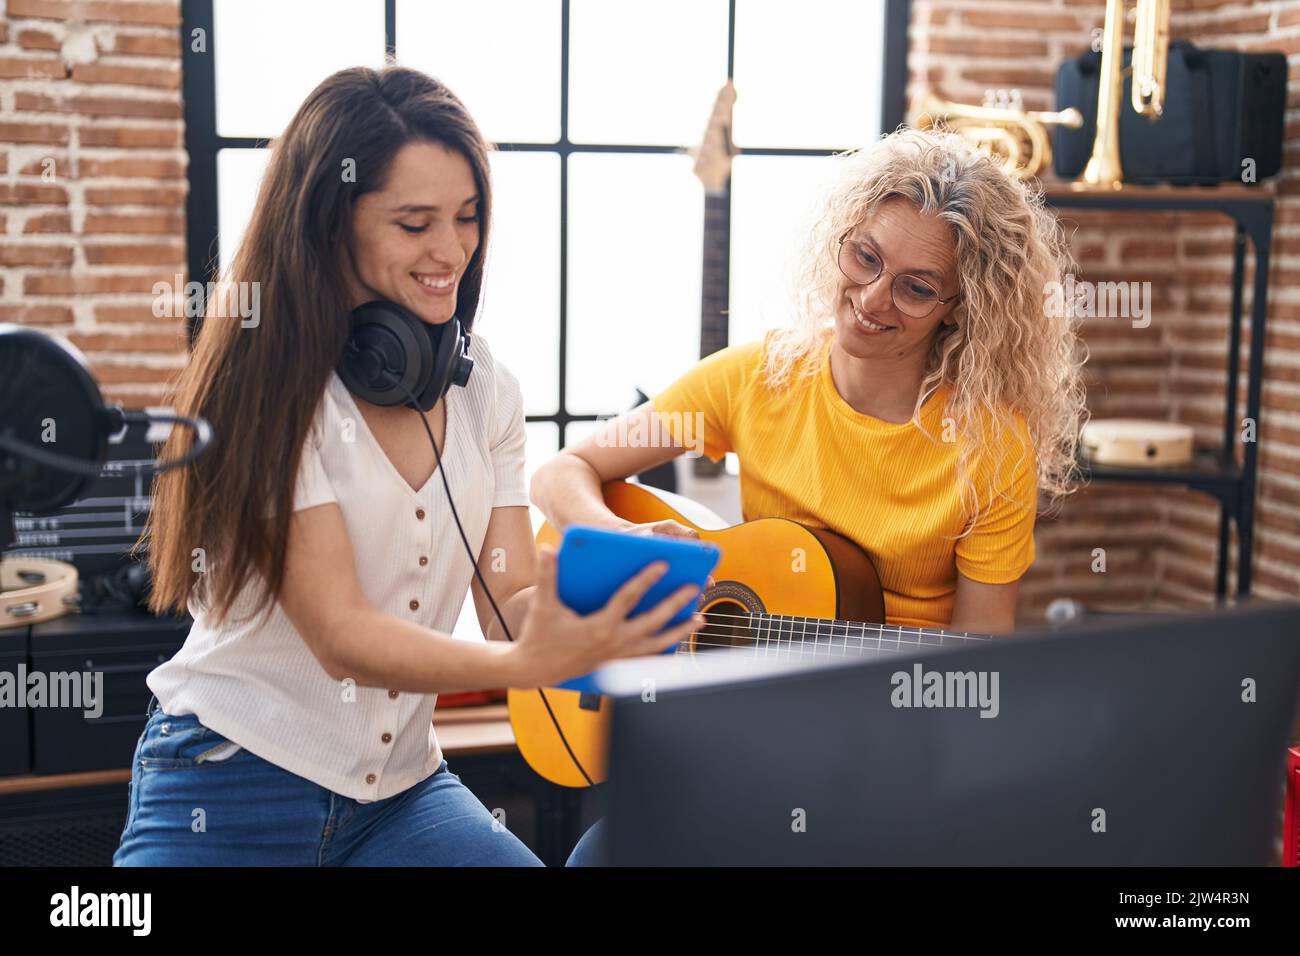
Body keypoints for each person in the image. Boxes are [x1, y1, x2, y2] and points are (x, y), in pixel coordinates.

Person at [113, 65, 702, 867]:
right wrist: (526, 663)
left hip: (401, 799)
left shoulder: (485, 389)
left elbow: (509, 601)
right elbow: (342, 633)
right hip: (229, 785)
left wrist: (611, 619)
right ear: (331, 223)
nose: (451, 250)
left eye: (467, 218)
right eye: (414, 223)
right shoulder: (268, 384)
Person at [530, 127, 1087, 865]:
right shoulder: (755, 378)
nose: (872, 298)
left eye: (916, 287)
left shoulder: (991, 448)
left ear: (960, 305)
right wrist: (622, 541)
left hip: (885, 751)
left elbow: (976, 673)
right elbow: (560, 472)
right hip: (741, 736)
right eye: (864, 257)